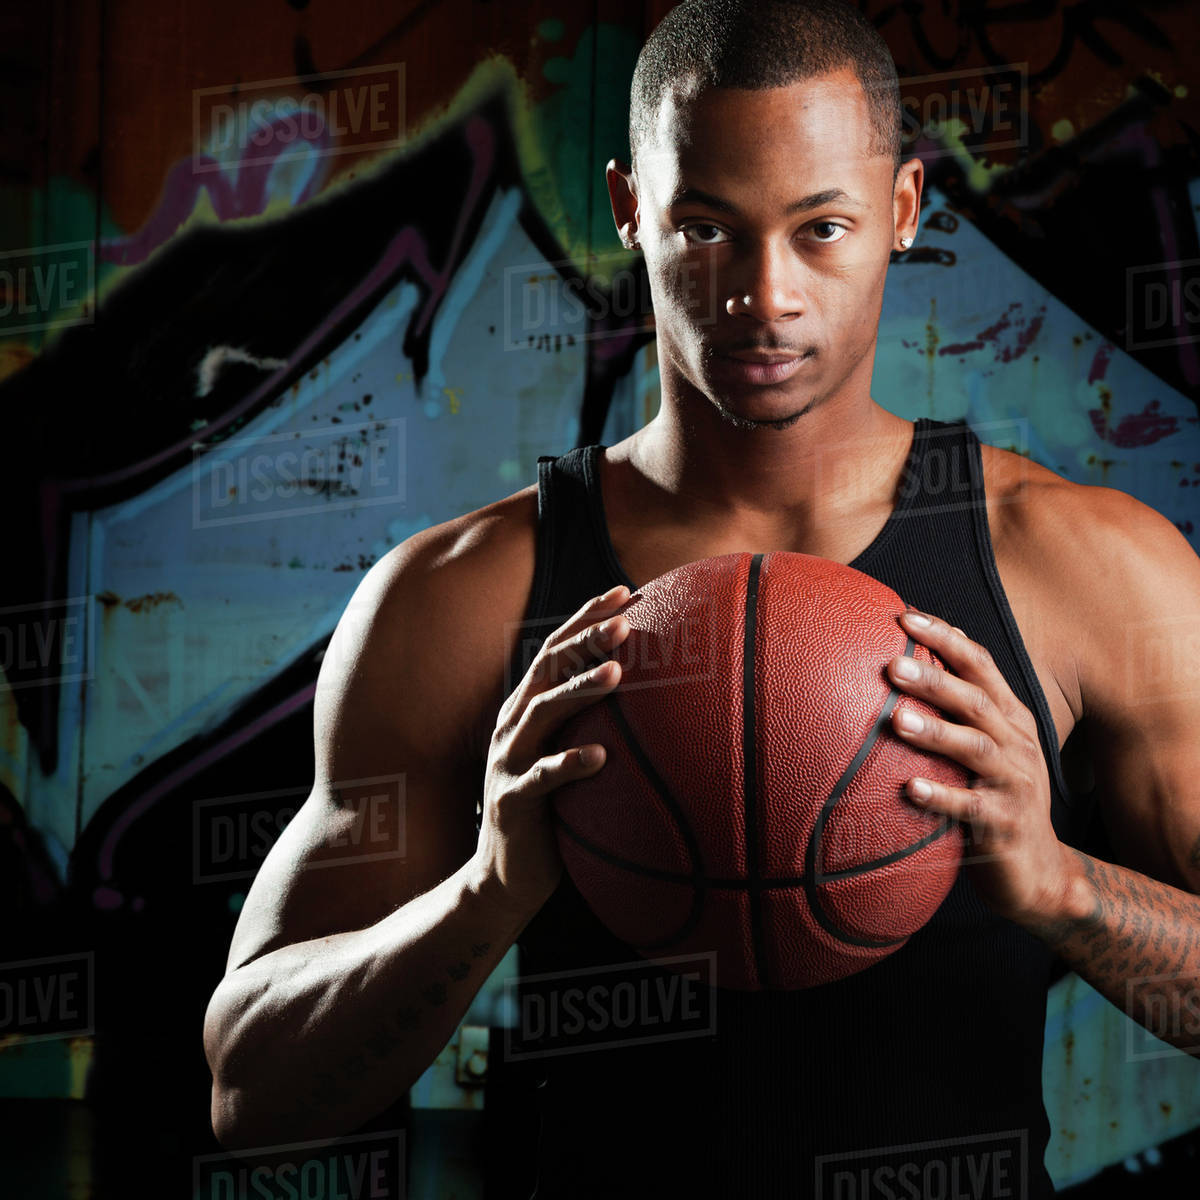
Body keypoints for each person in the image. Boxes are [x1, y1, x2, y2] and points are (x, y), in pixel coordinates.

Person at [203, 1, 1200, 1196]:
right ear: (631, 210)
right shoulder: (459, 598)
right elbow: (253, 1097)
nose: (765, 294)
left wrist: (1064, 886)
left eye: (821, 228)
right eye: (707, 227)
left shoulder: (1083, 567)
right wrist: (487, 891)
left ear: (902, 210)